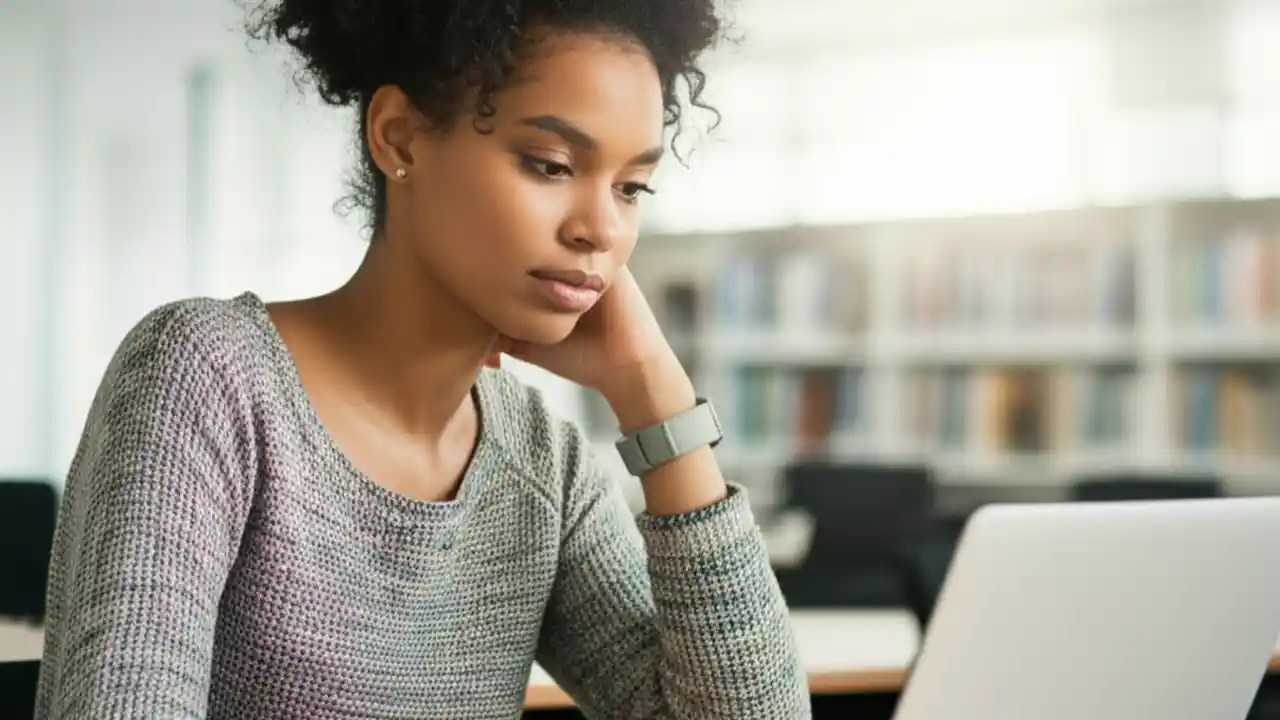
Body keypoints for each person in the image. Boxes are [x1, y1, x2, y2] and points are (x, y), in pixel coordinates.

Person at [35, 1, 809, 717]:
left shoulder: (541, 463)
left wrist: (654, 395)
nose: (600, 229)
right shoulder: (206, 379)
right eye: (549, 164)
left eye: (633, 186)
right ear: (399, 138)